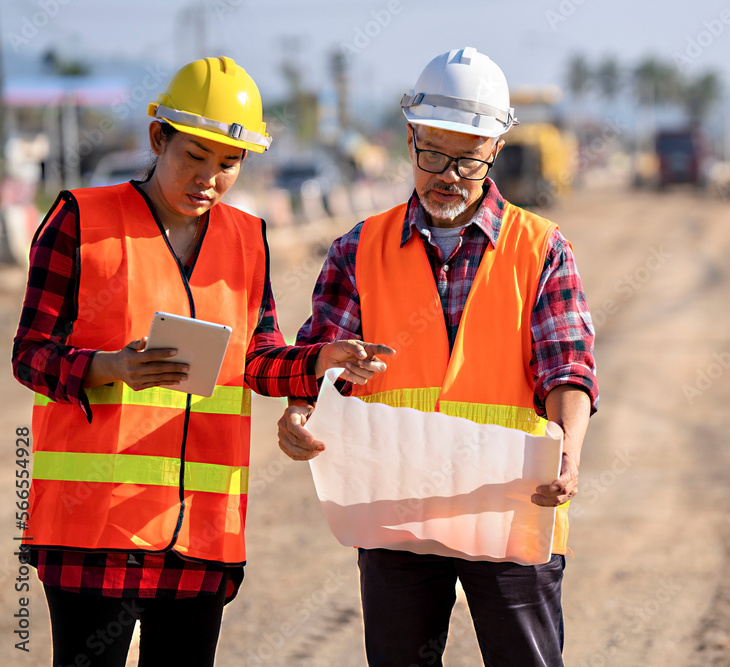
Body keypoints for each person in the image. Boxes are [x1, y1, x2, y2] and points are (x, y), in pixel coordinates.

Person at [12, 56, 392, 667]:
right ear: (158, 137)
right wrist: (109, 368)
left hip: (198, 531)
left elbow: (258, 359)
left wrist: (323, 360)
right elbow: (29, 356)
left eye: (228, 163)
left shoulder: (247, 239)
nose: (209, 177)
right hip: (93, 527)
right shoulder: (80, 222)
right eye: (194, 155)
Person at [277, 47, 598, 666]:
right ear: (410, 139)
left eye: (467, 159)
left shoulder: (541, 250)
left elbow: (568, 366)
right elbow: (320, 360)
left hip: (509, 506)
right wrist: (299, 411)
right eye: (433, 154)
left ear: (496, 152)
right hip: (396, 509)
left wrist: (572, 453)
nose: (447, 174)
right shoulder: (357, 250)